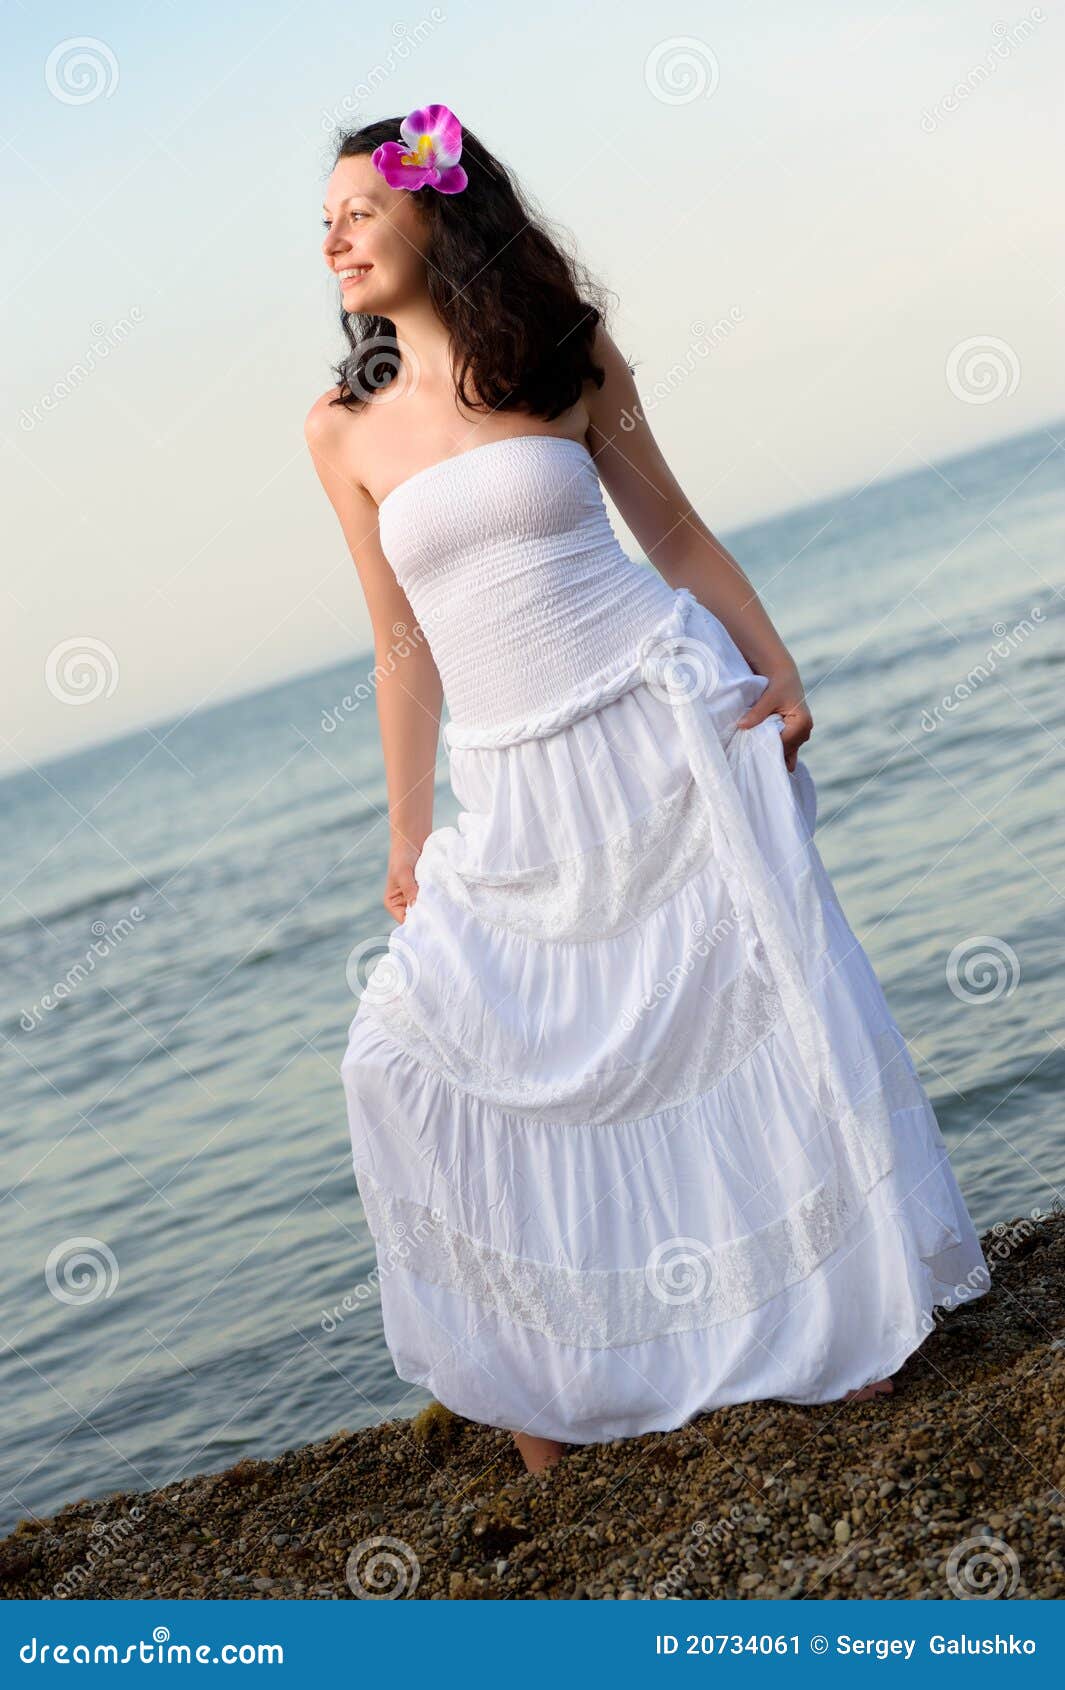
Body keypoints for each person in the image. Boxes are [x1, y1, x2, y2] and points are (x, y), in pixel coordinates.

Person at [305, 105, 989, 1476]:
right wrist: (407, 831)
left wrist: (776, 668)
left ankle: (834, 1315)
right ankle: (548, 1377)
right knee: (417, 1058)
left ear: (439, 210)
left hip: (657, 724)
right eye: (322, 221)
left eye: (359, 210)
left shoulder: (563, 357)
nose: (333, 239)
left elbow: (669, 530)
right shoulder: (342, 430)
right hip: (514, 786)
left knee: (743, 1019)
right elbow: (399, 642)